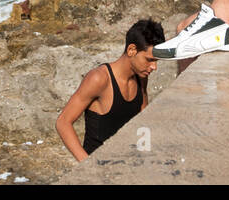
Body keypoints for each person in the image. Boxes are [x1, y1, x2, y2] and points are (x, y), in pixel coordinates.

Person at [56, 19, 163, 159]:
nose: (154, 67)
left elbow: (143, 122)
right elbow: (63, 122)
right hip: (99, 167)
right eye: (149, 60)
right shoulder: (99, 79)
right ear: (131, 50)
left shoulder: (141, 77)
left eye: (156, 61)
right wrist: (88, 166)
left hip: (128, 164)